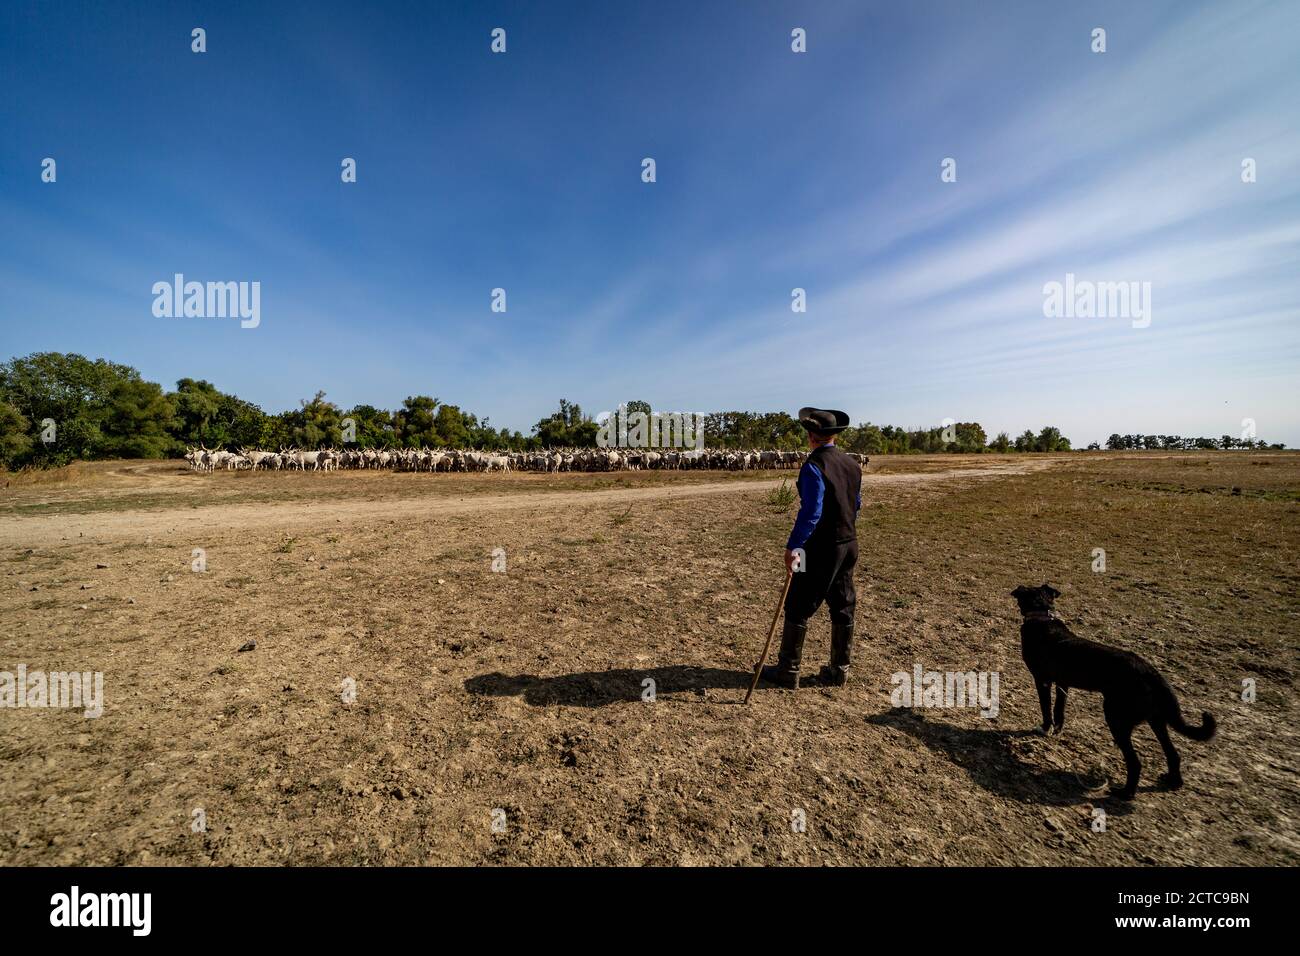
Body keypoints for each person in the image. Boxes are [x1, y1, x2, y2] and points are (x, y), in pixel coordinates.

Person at [760, 407, 862, 689]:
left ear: (810, 436)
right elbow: (856, 504)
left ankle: (787, 670)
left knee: (797, 603)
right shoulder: (852, 464)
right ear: (834, 437)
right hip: (849, 543)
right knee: (843, 604)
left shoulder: (814, 466)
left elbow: (812, 512)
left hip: (819, 547)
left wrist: (794, 546)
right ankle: (838, 670)